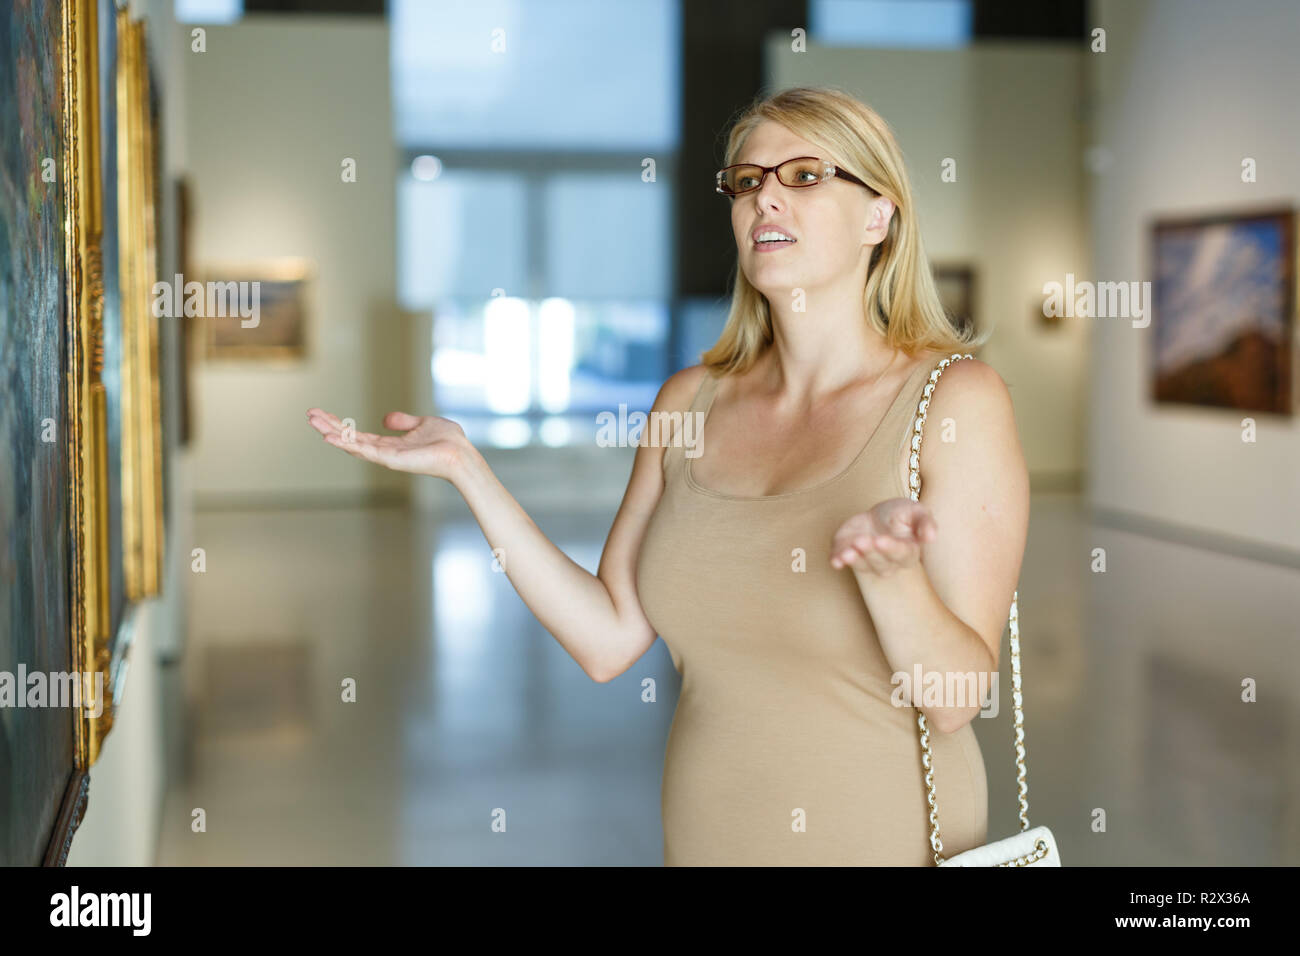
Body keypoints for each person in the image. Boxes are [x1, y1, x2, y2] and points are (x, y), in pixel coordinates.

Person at [306, 85, 1029, 866]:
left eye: (806, 176)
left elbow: (955, 702)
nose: (766, 200)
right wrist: (467, 471)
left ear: (878, 218)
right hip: (708, 838)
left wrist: (892, 578)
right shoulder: (689, 401)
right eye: (747, 182)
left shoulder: (955, 400)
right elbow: (608, 639)